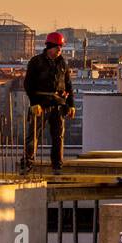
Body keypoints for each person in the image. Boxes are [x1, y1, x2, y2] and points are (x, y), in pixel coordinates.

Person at [23, 31, 75, 173]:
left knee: (58, 136)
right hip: (41, 104)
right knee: (34, 135)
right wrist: (34, 103)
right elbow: (28, 84)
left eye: (61, 48)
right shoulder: (36, 62)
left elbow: (68, 85)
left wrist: (71, 105)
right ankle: (27, 163)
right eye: (58, 47)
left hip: (58, 104)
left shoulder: (62, 64)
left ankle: (57, 165)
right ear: (50, 46)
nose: (60, 50)